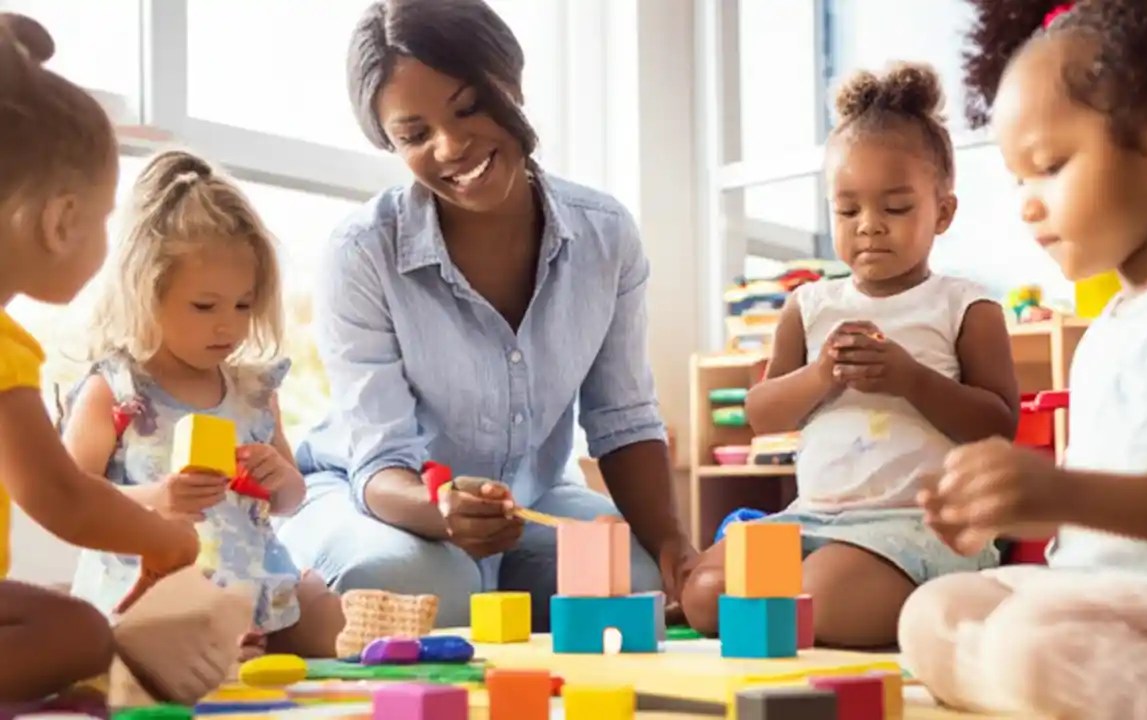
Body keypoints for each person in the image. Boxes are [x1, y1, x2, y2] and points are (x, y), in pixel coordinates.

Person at [900, 1, 1147, 718]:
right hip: (1096, 600)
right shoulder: (1107, 328)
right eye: (1017, 179)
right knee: (933, 612)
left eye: (1049, 167)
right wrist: (1006, 511)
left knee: (1029, 644)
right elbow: (1096, 518)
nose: (1026, 207)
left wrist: (1057, 494)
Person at [276, 0, 695, 631]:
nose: (452, 146)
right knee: (419, 586)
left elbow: (622, 417)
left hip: (529, 502)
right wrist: (441, 513)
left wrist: (670, 543)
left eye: (469, 107)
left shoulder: (605, 236)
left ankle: (493, 586)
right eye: (414, 135)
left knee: (627, 587)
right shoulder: (362, 250)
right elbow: (380, 461)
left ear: (511, 80)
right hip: (378, 503)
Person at [680, 63, 1020, 649]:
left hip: (913, 526)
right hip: (808, 519)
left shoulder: (964, 305)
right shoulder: (809, 306)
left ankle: (923, 598)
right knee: (703, 592)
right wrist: (819, 377)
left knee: (814, 601)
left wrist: (909, 379)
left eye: (895, 207)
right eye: (848, 210)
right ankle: (819, 603)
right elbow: (764, 414)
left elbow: (998, 423)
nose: (869, 227)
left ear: (942, 212)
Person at [61, 149, 413, 660]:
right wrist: (157, 499)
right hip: (154, 593)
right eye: (205, 307)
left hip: (258, 585)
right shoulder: (117, 392)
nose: (228, 325)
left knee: (334, 623)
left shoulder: (251, 393)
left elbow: (291, 499)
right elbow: (69, 501)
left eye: (243, 305)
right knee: (186, 648)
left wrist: (278, 478)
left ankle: (255, 642)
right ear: (146, 292)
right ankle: (220, 651)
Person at [0, 14, 249, 702]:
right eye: (107, 217)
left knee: (50, 619)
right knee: (80, 634)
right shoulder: (5, 351)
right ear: (61, 221)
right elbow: (59, 494)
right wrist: (166, 541)